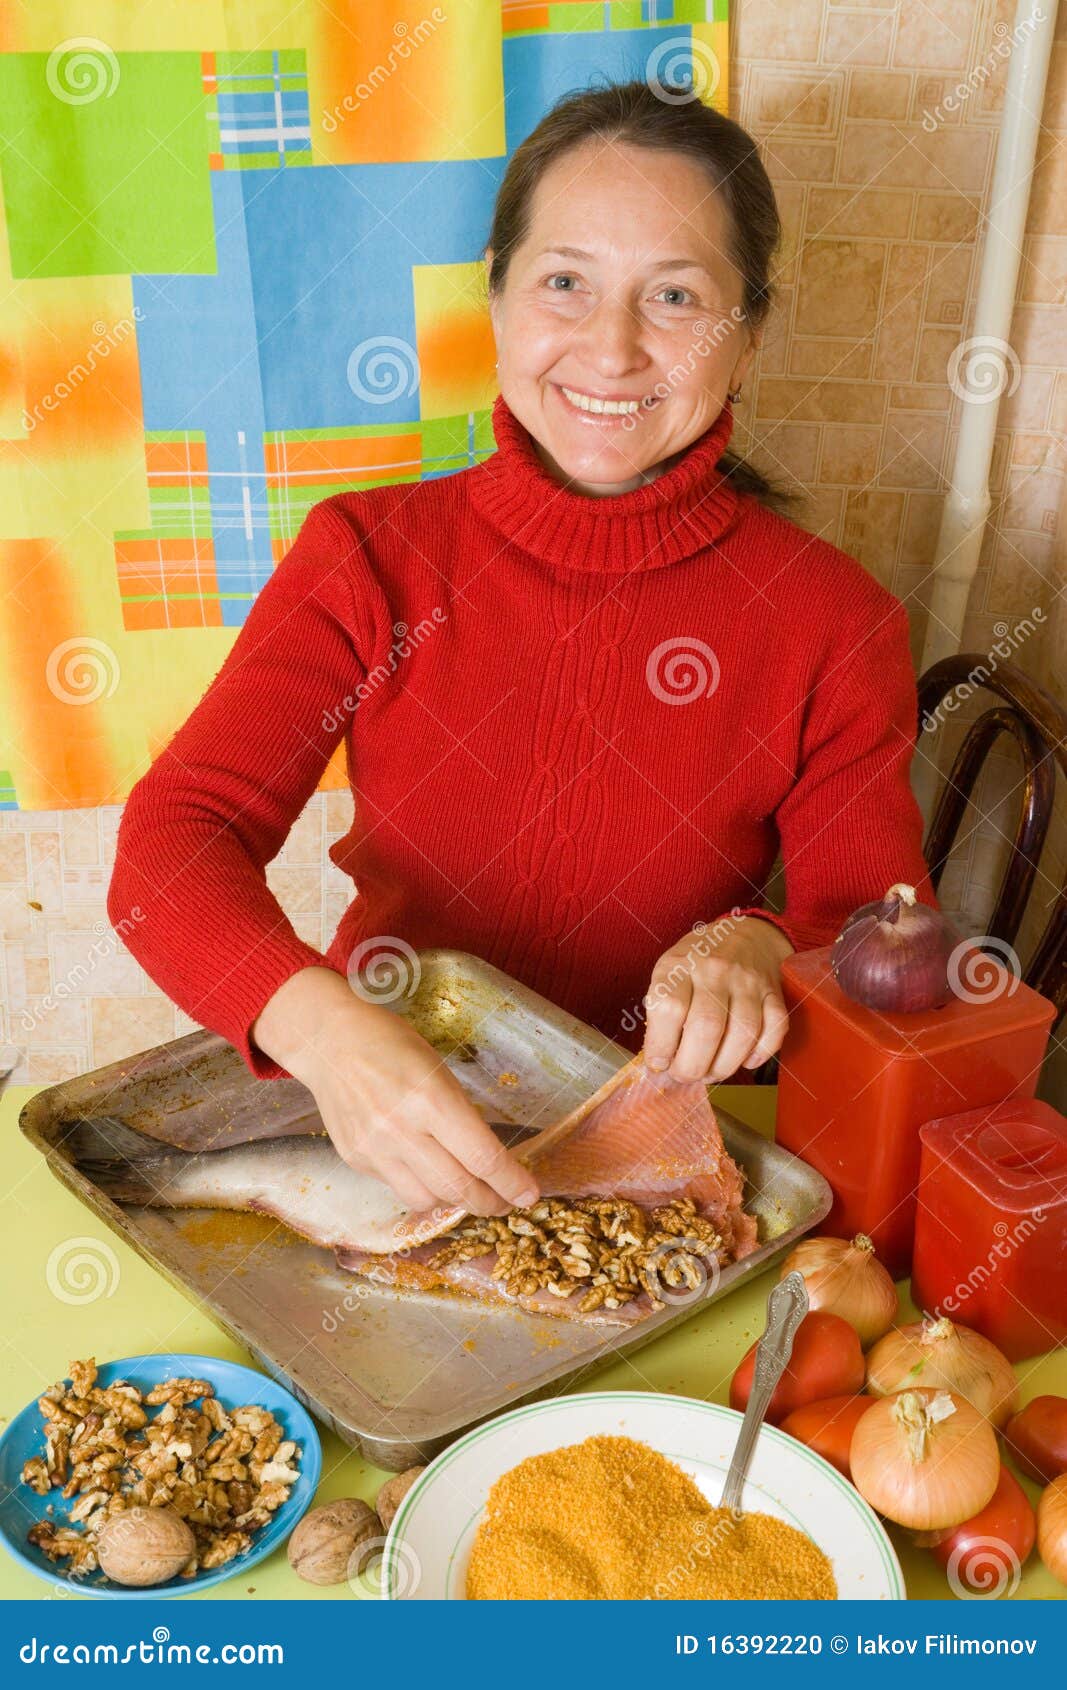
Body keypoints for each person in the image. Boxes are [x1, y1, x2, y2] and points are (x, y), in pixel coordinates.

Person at [107, 78, 930, 1224]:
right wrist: (321, 1028)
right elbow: (169, 846)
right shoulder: (368, 555)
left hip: (673, 1155)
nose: (612, 347)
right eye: (563, 283)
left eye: (677, 297)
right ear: (495, 299)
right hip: (390, 1118)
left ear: (747, 340)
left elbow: (879, 942)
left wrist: (764, 945)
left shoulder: (834, 621)